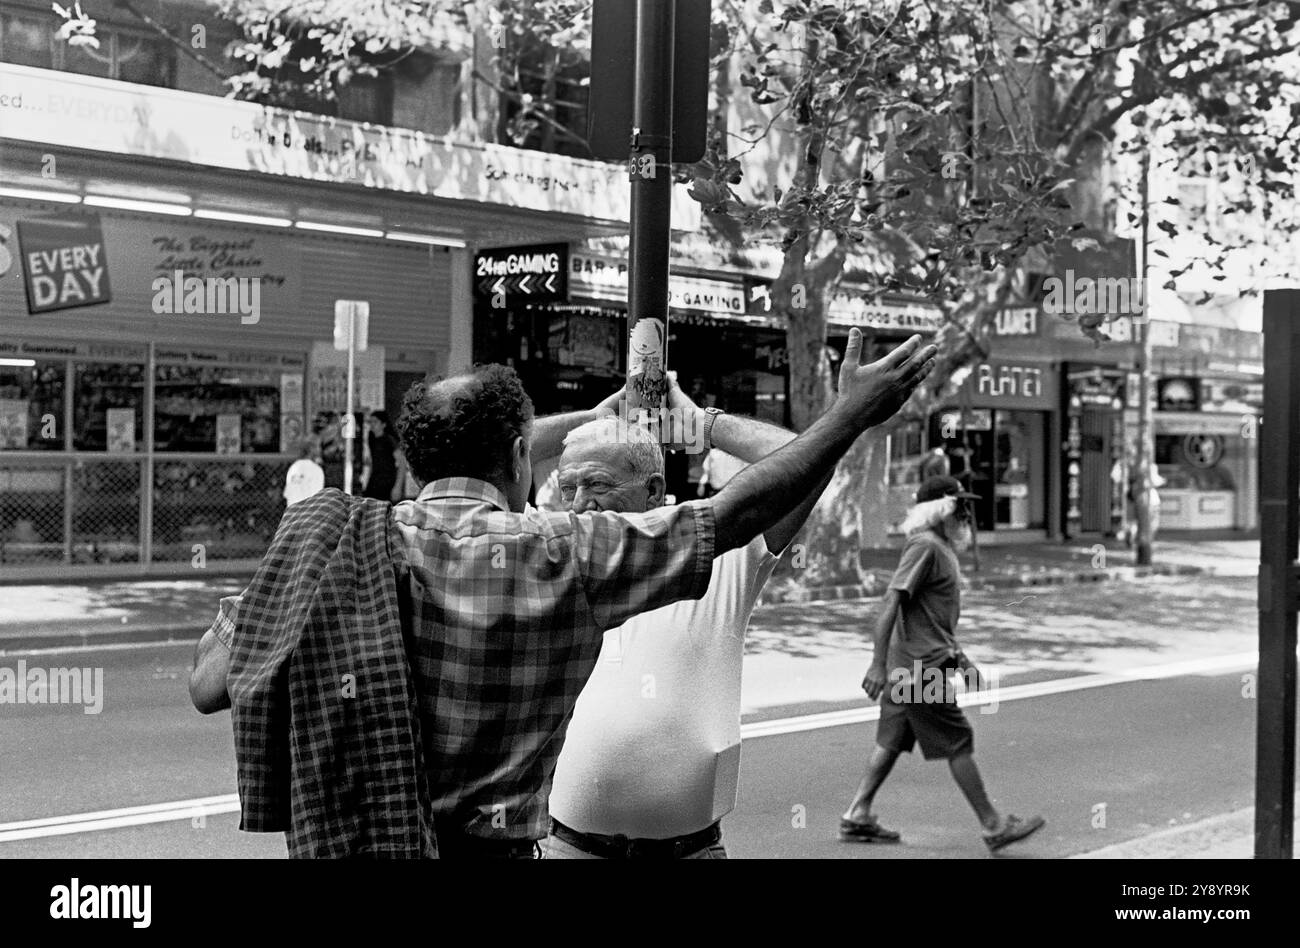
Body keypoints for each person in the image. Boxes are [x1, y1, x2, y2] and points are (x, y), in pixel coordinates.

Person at [191, 331, 938, 858]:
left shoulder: (330, 538)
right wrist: (847, 417)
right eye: (563, 481)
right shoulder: (560, 555)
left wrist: (593, 419)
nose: (576, 498)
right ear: (524, 459)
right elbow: (738, 508)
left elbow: (208, 684)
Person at [544, 380, 829, 859]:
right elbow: (489, 457)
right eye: (567, 487)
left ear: (654, 490)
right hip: (567, 848)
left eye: (596, 485)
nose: (578, 504)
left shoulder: (716, 553)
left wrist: (701, 424)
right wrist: (590, 420)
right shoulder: (550, 553)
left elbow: (805, 460)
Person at [841, 475, 1045, 853]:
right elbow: (891, 603)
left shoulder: (939, 548)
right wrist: (876, 664)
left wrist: (962, 661)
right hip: (921, 670)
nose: (966, 513)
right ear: (940, 509)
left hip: (918, 664)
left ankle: (857, 814)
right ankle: (993, 825)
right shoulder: (925, 547)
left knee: (892, 740)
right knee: (958, 740)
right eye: (959, 505)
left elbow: (932, 620)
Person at [361, 410, 399, 501]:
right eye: (371, 422)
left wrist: (398, 486)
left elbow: (401, 462)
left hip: (387, 482)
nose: (372, 425)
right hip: (374, 481)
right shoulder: (372, 440)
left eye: (375, 422)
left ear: (383, 424)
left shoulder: (389, 440)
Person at [282, 436, 325, 507]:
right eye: (318, 447)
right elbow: (316, 498)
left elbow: (287, 494)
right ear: (312, 449)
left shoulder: (293, 467)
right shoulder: (316, 469)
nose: (320, 450)